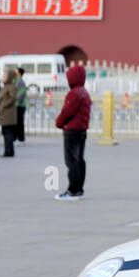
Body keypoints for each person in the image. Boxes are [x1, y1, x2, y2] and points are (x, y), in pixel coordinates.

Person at [54, 65, 92, 199]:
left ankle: (73, 190)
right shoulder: (84, 92)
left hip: (72, 131)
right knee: (80, 160)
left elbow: (67, 112)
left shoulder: (74, 93)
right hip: (82, 130)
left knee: (72, 161)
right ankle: (79, 189)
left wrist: (58, 123)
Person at [0, 67, 19, 157]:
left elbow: (13, 98)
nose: (3, 77)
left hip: (8, 113)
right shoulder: (5, 86)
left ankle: (9, 152)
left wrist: (3, 105)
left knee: (8, 133)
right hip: (4, 113)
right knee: (5, 133)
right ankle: (7, 151)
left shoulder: (11, 86)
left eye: (5, 75)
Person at [15, 67, 28, 142]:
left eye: (16, 72)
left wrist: (15, 103)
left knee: (19, 123)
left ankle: (20, 139)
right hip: (19, 105)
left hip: (19, 106)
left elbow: (20, 95)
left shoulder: (20, 81)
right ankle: (20, 139)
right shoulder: (18, 81)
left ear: (19, 73)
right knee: (19, 122)